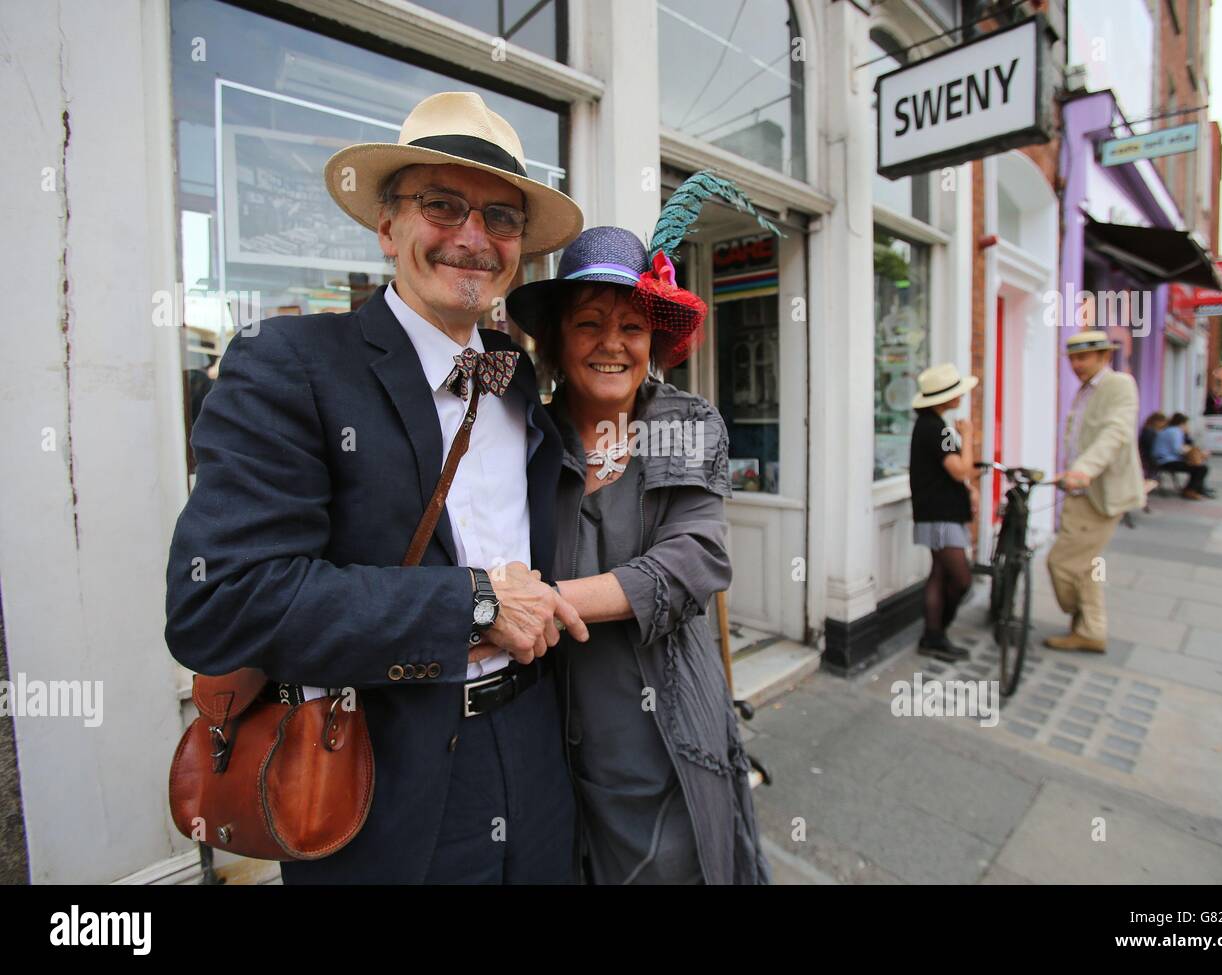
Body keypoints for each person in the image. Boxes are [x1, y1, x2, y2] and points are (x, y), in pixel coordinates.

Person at [165, 92, 593, 884]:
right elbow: (219, 601)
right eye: (442, 205)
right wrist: (477, 602)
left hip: (537, 757)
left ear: (519, 250)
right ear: (387, 228)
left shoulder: (517, 379)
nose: (472, 237)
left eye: (501, 218)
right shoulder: (290, 363)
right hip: (377, 781)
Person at [505, 224, 769, 885]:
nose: (612, 344)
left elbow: (695, 558)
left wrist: (547, 602)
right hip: (556, 741)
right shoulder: (529, 439)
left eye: (631, 326)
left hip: (665, 741)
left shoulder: (683, 423)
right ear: (557, 338)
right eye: (589, 323)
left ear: (652, 342)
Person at [1045, 330, 1146, 653]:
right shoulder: (1085, 390)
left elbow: (1116, 432)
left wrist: (1083, 470)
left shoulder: (1118, 385)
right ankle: (1090, 629)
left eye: (1083, 357)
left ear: (1104, 356)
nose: (1076, 364)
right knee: (1084, 565)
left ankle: (1085, 622)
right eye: (1073, 358)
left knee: (1062, 563)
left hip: (1098, 491)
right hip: (1079, 491)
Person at [907, 363, 979, 662]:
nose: (961, 396)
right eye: (957, 392)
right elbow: (961, 469)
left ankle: (934, 636)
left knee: (939, 573)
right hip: (939, 515)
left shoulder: (934, 426)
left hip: (940, 512)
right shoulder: (937, 429)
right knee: (960, 579)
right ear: (944, 397)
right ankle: (936, 633)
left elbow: (954, 472)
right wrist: (968, 436)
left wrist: (969, 489)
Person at [1153, 412, 1211, 499]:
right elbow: (1177, 450)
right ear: (1182, 423)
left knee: (1198, 467)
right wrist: (1197, 453)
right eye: (1186, 424)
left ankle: (1195, 489)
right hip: (1166, 461)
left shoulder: (1169, 430)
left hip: (1164, 459)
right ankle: (1190, 490)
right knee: (1201, 468)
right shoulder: (1175, 431)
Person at [1138, 411, 1167, 478]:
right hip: (1150, 457)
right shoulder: (1149, 431)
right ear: (1156, 421)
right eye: (1162, 423)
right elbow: (1151, 446)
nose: (1163, 425)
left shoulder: (1148, 430)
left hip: (1148, 457)